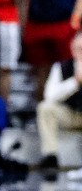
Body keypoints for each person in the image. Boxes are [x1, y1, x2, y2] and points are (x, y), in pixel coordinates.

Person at [35, 28, 82, 171]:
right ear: (72, 47)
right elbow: (50, 95)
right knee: (45, 108)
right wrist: (75, 83)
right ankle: (50, 156)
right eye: (78, 48)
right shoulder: (62, 66)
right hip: (70, 114)